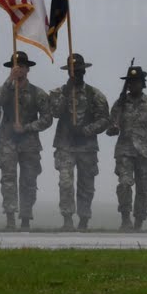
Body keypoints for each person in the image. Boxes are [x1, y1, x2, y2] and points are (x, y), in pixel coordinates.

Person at [49, 54, 110, 231]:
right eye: (73, 71)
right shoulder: (58, 93)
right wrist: (66, 94)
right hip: (65, 145)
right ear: (68, 73)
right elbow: (55, 112)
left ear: (84, 71)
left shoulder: (95, 94)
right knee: (65, 182)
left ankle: (84, 219)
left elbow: (105, 119)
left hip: (87, 147)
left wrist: (87, 130)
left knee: (86, 185)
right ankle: (67, 219)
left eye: (79, 71)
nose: (76, 74)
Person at [0, 51, 53, 230]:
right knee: (8, 180)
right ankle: (10, 217)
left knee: (29, 181)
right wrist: (9, 80)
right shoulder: (4, 89)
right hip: (8, 141)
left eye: (22, 67)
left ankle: (26, 216)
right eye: (15, 67)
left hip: (29, 143)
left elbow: (47, 118)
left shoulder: (38, 93)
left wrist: (27, 127)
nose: (19, 70)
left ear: (28, 69)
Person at [109, 65, 147, 231]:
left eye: (136, 82)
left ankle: (139, 220)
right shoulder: (119, 104)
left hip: (145, 152)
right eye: (130, 82)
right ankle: (125, 218)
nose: (133, 85)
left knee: (143, 188)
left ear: (143, 83)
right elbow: (111, 126)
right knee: (125, 184)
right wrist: (113, 128)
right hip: (125, 150)